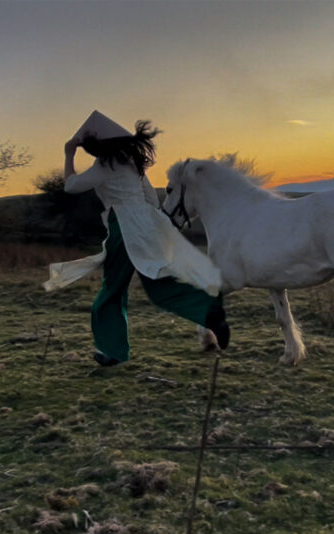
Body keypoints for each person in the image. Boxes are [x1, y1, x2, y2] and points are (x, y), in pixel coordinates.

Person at [43, 110, 229, 366]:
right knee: (160, 285)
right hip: (146, 224)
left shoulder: (105, 165)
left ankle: (112, 352)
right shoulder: (131, 161)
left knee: (111, 292)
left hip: (124, 228)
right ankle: (209, 311)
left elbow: (71, 185)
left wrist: (68, 153)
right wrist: (158, 224)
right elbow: (151, 197)